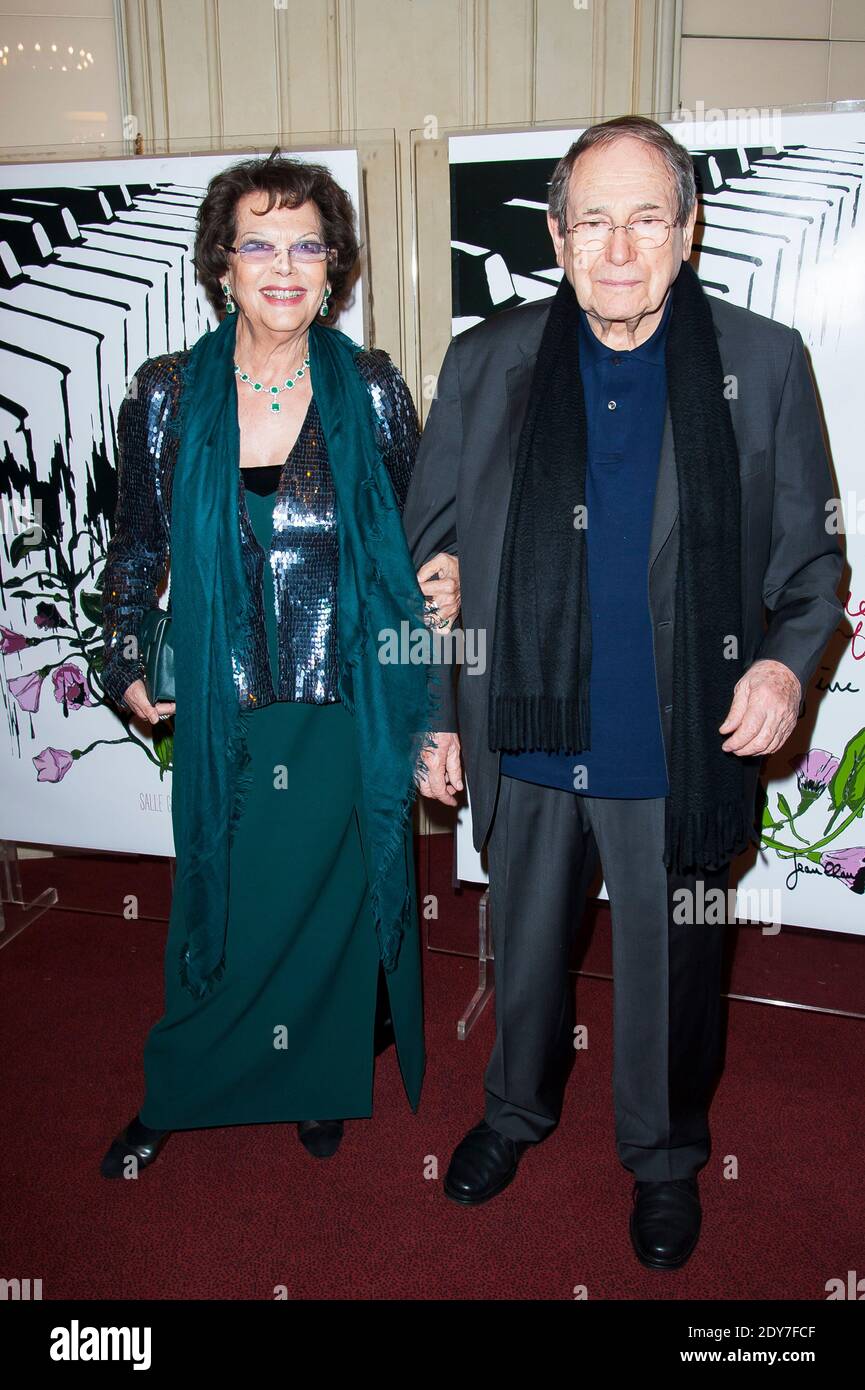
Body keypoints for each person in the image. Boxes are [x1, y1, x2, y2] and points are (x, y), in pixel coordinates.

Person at [403, 115, 843, 1268]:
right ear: (554, 234)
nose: (617, 246)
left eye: (647, 217)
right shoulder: (488, 360)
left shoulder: (765, 361)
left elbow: (812, 568)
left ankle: (663, 1158)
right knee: (527, 951)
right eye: (591, 219)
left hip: (676, 746)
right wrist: (432, 716)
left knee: (671, 972)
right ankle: (512, 1115)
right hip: (527, 730)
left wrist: (781, 666)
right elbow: (426, 558)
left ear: (687, 231)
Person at [99, 150, 458, 1171]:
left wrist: (441, 644)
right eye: (260, 243)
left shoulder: (374, 390)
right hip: (224, 706)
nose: (286, 265)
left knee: (331, 911)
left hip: (345, 705)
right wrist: (124, 651)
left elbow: (420, 550)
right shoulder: (168, 394)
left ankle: (316, 1075)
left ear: (335, 266)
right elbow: (136, 547)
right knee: (224, 905)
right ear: (223, 264)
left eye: (309, 245)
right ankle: (180, 1086)